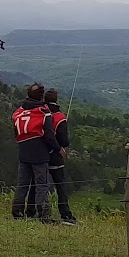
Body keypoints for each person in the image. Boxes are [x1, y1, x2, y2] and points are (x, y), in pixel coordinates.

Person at [11, 83, 62, 222]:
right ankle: (43, 214)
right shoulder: (44, 112)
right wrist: (58, 149)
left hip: (23, 151)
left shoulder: (18, 112)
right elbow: (49, 136)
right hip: (39, 153)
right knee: (42, 185)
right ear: (41, 97)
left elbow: (16, 132)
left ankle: (17, 212)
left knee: (22, 183)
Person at [44, 88, 77, 225]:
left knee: (40, 185)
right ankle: (65, 214)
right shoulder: (60, 118)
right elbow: (64, 141)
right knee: (60, 187)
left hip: (40, 156)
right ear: (56, 100)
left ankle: (40, 210)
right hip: (56, 157)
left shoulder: (40, 114)